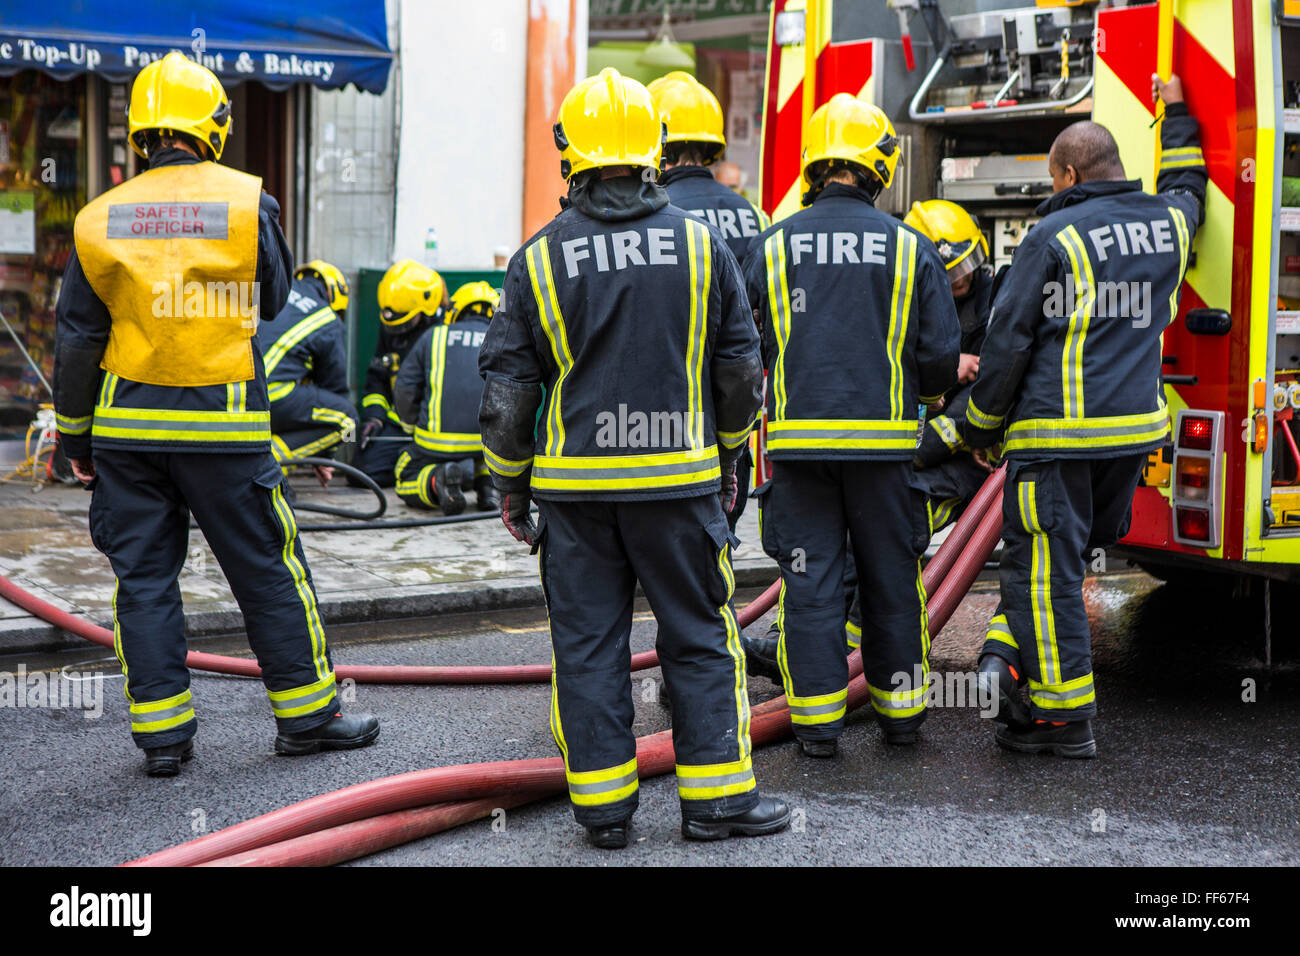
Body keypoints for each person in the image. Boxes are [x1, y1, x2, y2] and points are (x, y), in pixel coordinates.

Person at [479, 67, 789, 848]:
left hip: (576, 497)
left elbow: (510, 397)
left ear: (569, 155)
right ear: (653, 150)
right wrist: (726, 459)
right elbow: (740, 376)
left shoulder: (537, 260)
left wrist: (512, 484)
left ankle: (606, 814)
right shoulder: (703, 244)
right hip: (679, 486)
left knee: (586, 647)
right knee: (700, 635)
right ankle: (717, 804)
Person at [52, 53, 378, 776]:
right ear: (215, 127)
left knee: (142, 580)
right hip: (222, 432)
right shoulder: (245, 203)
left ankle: (164, 741)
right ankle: (306, 720)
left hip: (127, 436)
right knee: (267, 569)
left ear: (140, 133)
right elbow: (268, 301)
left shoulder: (98, 218)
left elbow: (78, 339)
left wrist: (74, 438)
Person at [965, 74, 1205, 758]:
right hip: (1130, 439)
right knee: (1061, 565)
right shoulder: (1167, 221)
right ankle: (1006, 655)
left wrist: (981, 426)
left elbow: (1007, 342)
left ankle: (1063, 721)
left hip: (1058, 438)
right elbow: (1192, 189)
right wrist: (1179, 113)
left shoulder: (1052, 236)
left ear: (1068, 173)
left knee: (1045, 574)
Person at [741, 93, 960, 757]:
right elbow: (940, 362)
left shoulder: (770, 247)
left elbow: (742, 354)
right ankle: (902, 719)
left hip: (799, 455)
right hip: (888, 457)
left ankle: (816, 731)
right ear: (879, 169)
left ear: (813, 166)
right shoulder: (911, 249)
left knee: (810, 588)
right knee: (892, 582)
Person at [649, 71, 770, 532]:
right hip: (731, 412)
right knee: (715, 543)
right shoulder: (753, 214)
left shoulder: (652, 216)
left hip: (662, 408)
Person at [905, 200, 1002, 531]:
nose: (959, 280)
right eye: (948, 273)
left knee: (908, 514)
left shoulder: (994, 300)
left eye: (964, 267)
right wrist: (949, 368)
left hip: (965, 447)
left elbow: (994, 378)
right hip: (911, 444)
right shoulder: (906, 306)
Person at [393, 281, 499, 514]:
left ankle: (436, 481)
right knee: (488, 456)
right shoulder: (502, 341)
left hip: (435, 442)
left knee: (404, 473)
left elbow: (405, 388)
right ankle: (490, 489)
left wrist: (411, 427)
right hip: (488, 443)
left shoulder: (434, 336)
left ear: (456, 310)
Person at [349, 259, 445, 487]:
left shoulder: (444, 330)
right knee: (360, 473)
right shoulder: (393, 325)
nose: (395, 331)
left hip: (437, 425)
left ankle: (439, 473)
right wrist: (374, 416)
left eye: (404, 323)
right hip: (400, 423)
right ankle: (430, 471)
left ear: (428, 310)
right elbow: (377, 377)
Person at [259, 259, 358, 475]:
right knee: (347, 418)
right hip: (269, 396)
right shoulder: (326, 318)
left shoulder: (271, 292)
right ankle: (269, 464)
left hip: (229, 390)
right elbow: (335, 392)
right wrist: (324, 452)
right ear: (333, 295)